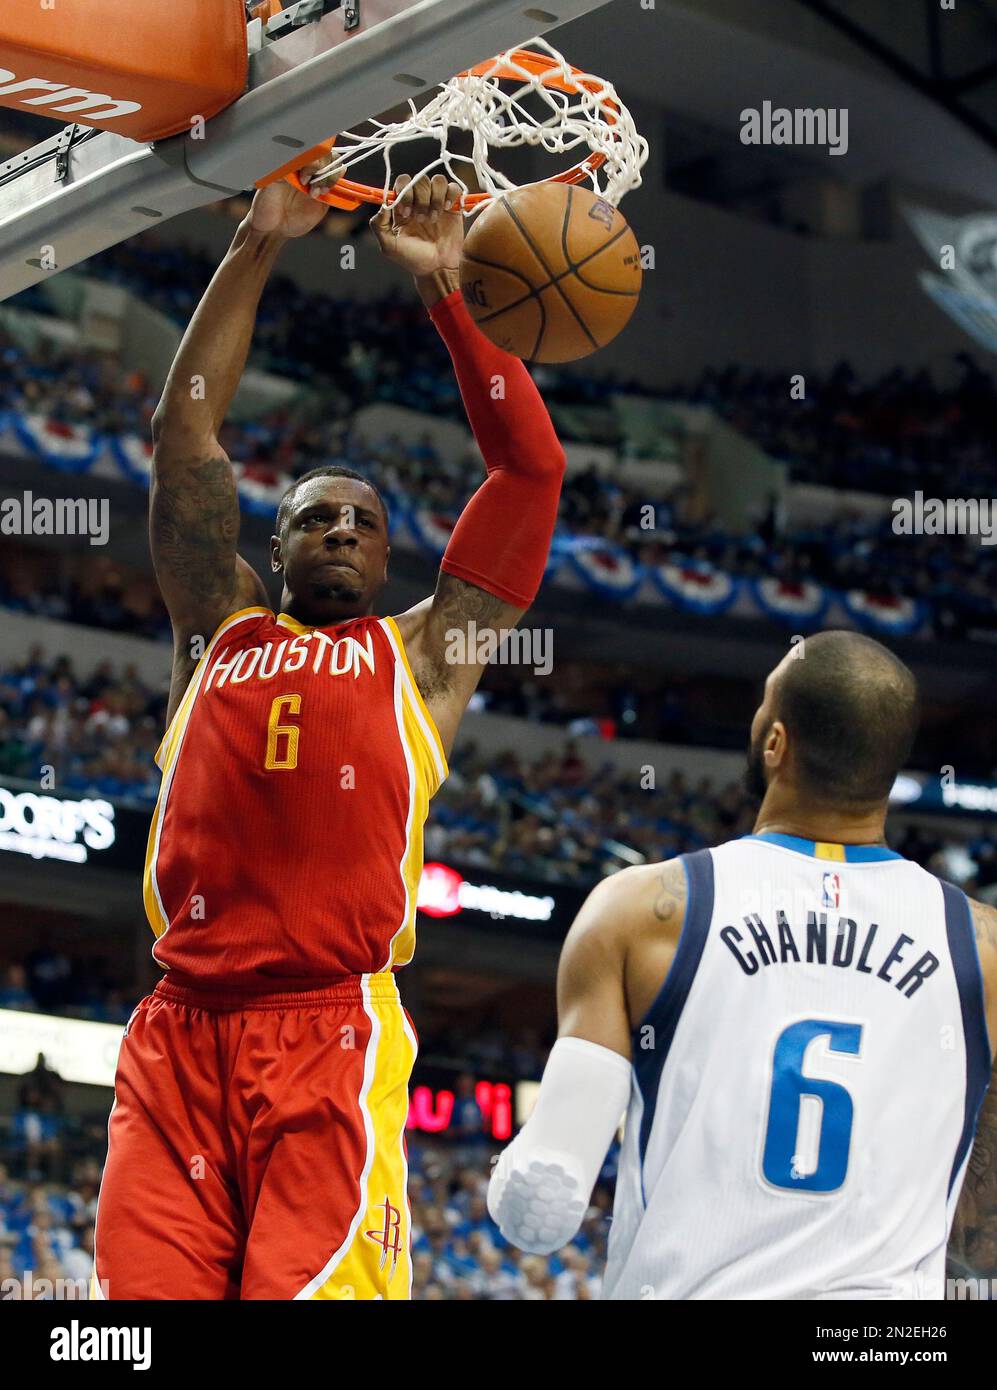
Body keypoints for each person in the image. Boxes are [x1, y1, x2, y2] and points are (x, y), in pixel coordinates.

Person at [94, 167, 566, 1300]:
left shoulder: (421, 655)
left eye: (363, 520)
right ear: (277, 540)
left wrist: (449, 287)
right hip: (176, 1029)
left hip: (329, 1034)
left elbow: (530, 470)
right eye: (317, 516)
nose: (343, 529)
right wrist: (260, 236)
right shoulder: (217, 629)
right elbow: (186, 425)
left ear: (390, 558)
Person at [488, 630, 997, 1299]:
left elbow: (542, 1209)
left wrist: (508, 1175)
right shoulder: (979, 946)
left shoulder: (644, 910)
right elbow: (978, 1236)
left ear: (775, 743)